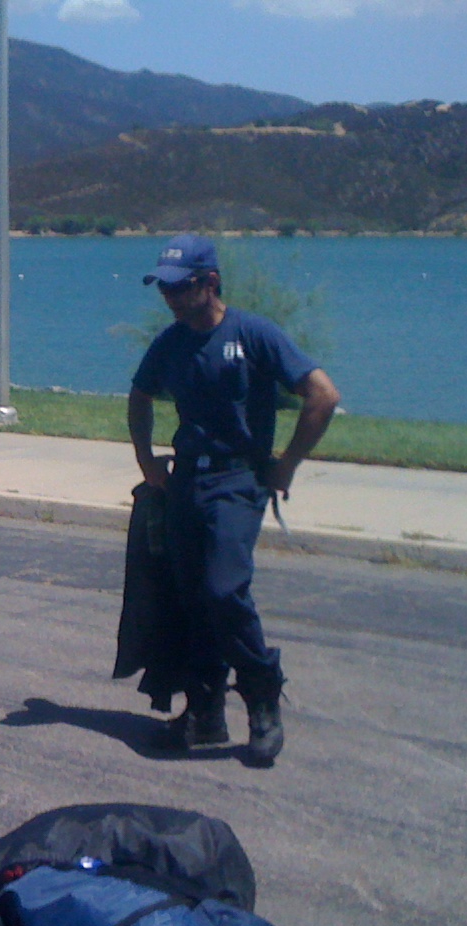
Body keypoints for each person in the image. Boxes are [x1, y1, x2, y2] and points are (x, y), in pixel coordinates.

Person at [127, 234, 340, 763]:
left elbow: (322, 394)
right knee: (192, 599)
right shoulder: (169, 342)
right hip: (184, 483)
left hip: (237, 483)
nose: (171, 297)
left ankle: (263, 696)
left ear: (211, 282)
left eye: (182, 286)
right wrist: (147, 460)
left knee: (225, 591)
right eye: (165, 288)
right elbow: (140, 396)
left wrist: (287, 464)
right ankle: (204, 715)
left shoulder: (253, 333)